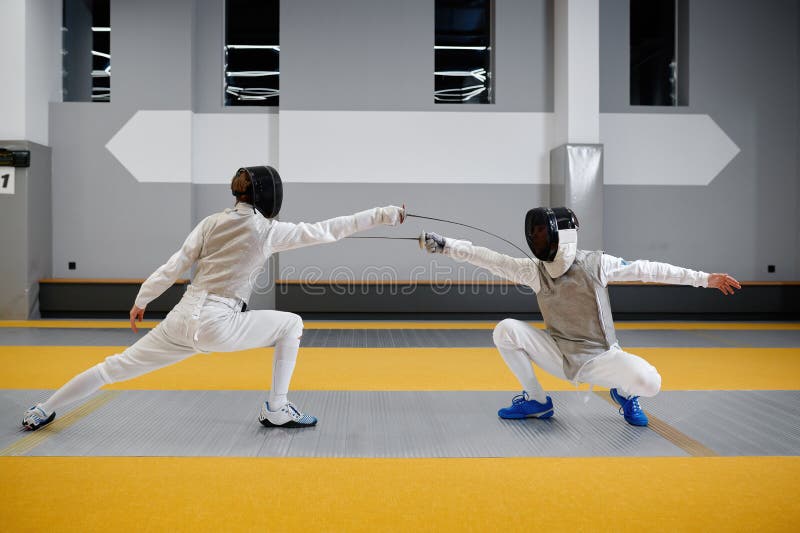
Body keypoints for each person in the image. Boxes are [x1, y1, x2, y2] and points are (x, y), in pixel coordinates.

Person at [23, 166, 405, 430]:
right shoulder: (266, 231)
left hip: (180, 317)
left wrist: (143, 298)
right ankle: (276, 409)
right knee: (292, 324)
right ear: (268, 195)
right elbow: (328, 230)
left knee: (114, 367)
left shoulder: (210, 222)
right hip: (218, 323)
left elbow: (175, 264)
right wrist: (384, 214)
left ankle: (44, 408)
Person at [422, 206, 740, 426]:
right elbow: (491, 259)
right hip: (559, 356)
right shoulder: (534, 271)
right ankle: (536, 400)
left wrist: (704, 278)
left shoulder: (596, 264)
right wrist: (446, 246)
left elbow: (648, 268)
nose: (539, 240)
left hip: (600, 359)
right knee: (506, 329)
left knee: (650, 382)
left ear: (563, 236)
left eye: (543, 234)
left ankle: (626, 394)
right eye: (535, 235)